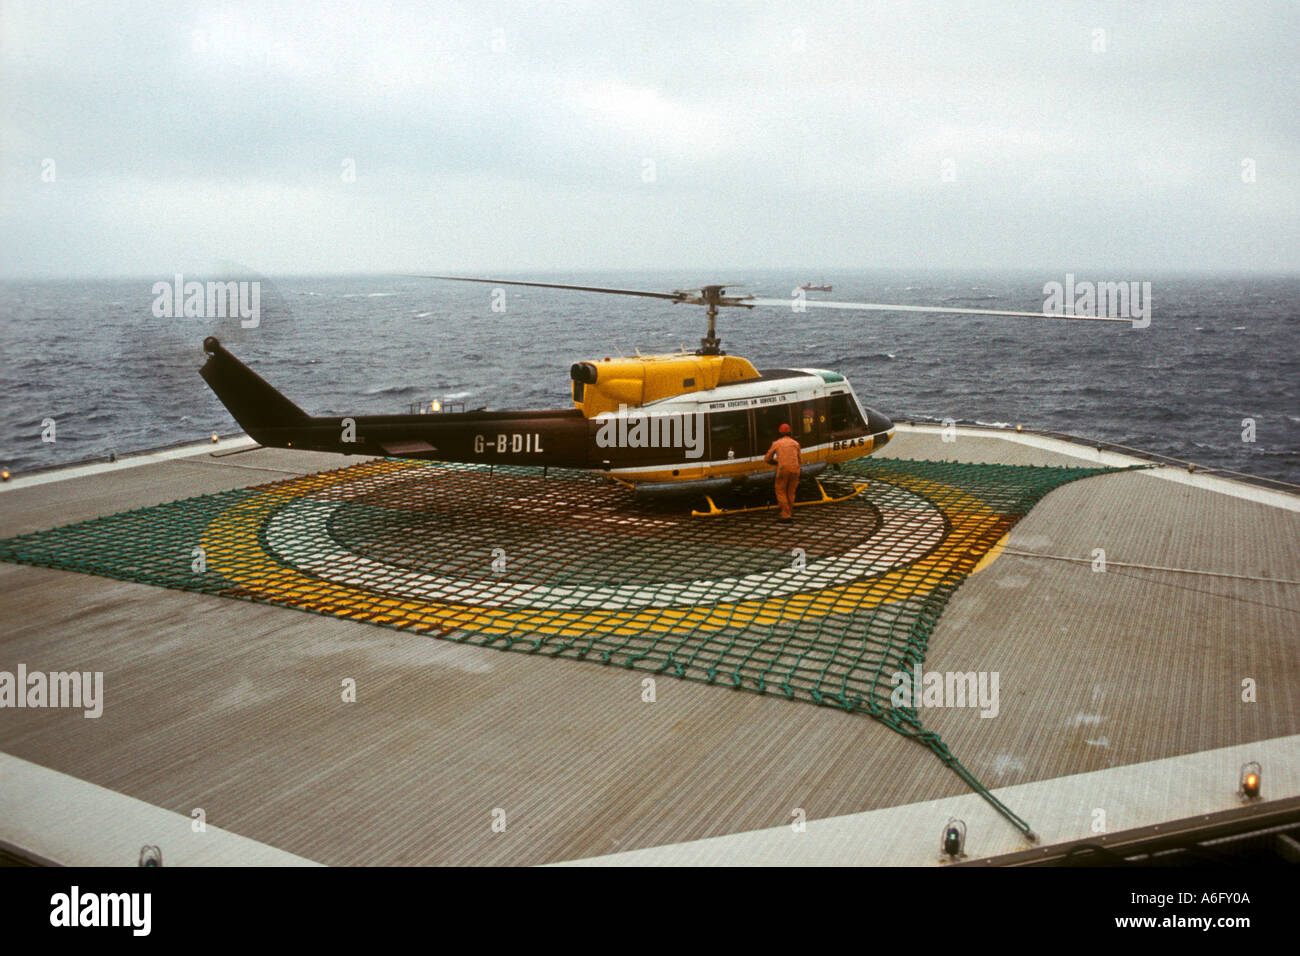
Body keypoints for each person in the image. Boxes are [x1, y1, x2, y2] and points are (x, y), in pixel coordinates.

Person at [763, 423, 802, 522]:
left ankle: (786, 516)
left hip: (783, 470)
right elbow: (800, 460)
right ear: (790, 433)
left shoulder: (777, 443)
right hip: (795, 470)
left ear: (779, 433)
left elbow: (767, 459)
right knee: (791, 492)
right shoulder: (795, 443)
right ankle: (789, 512)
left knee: (781, 491)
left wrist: (776, 463)